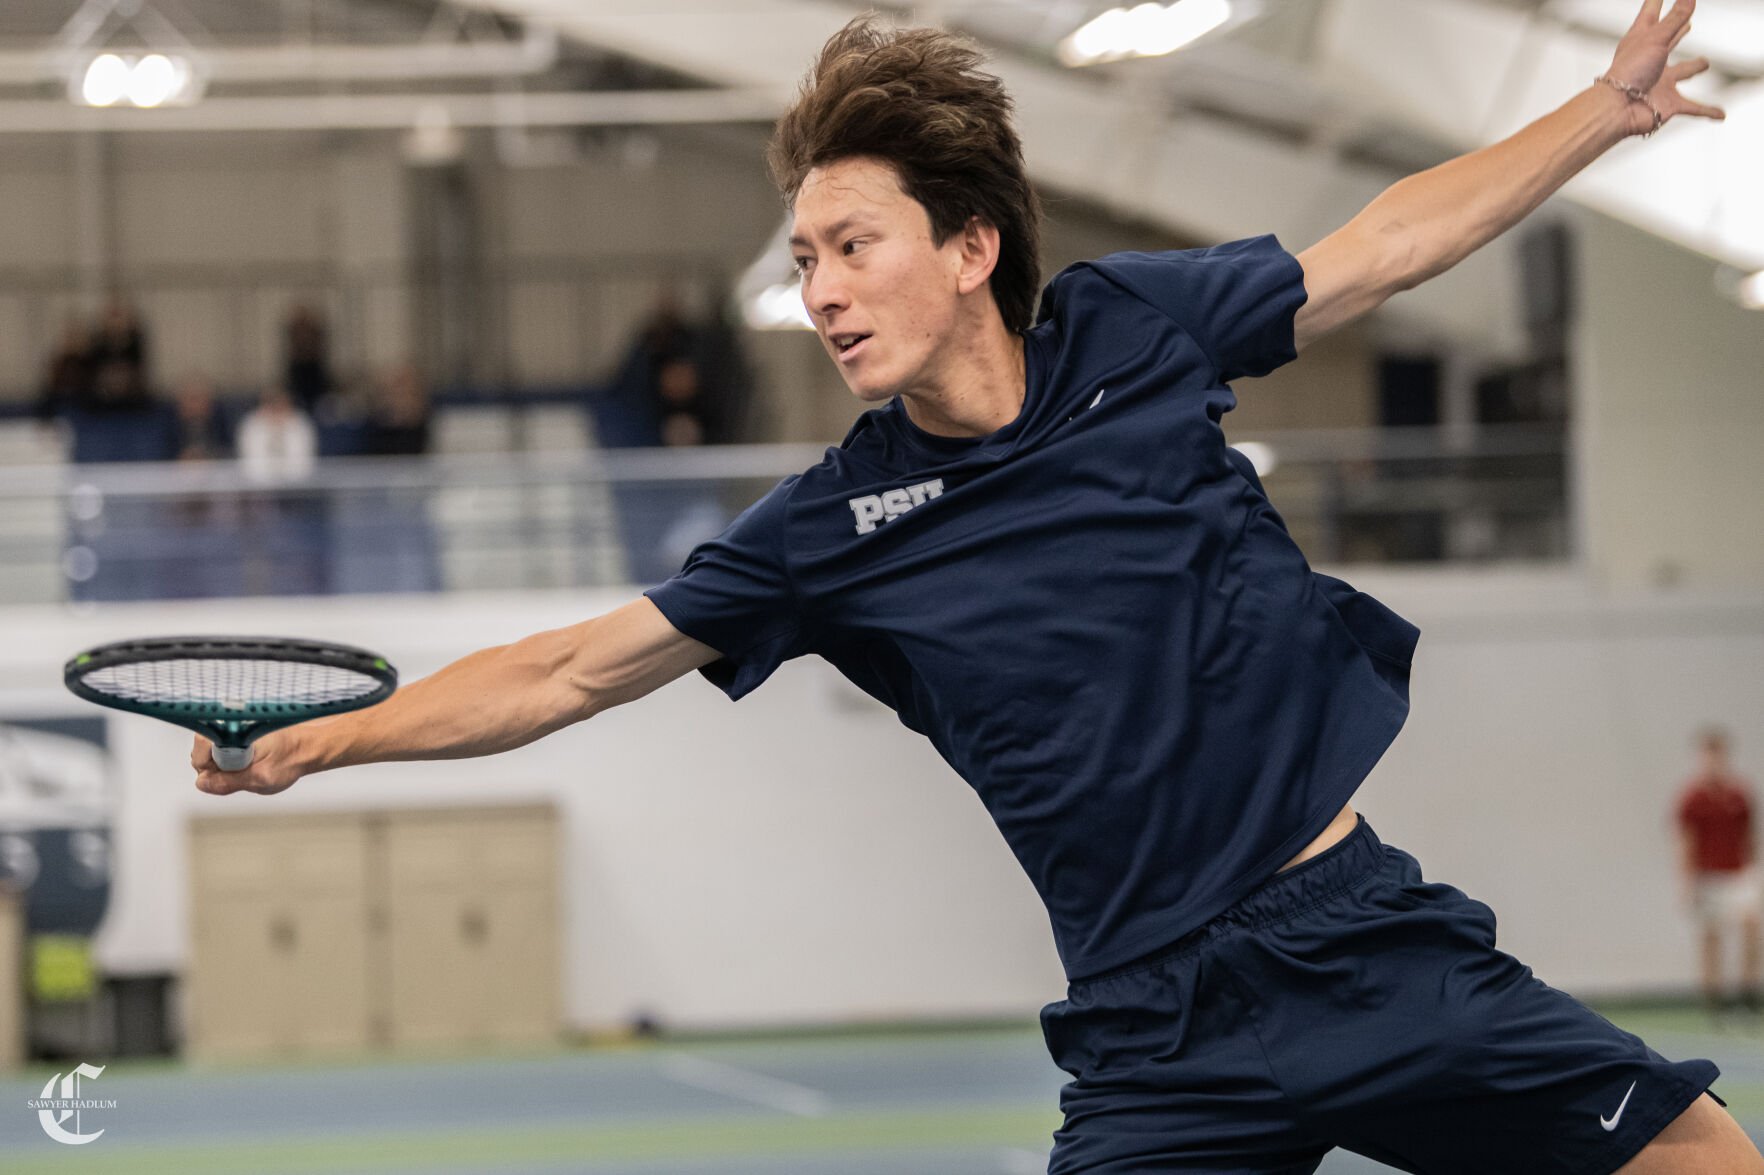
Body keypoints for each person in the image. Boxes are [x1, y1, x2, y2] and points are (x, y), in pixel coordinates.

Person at [190, 4, 1755, 1171]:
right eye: (802, 262)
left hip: (1359, 937)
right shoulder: (833, 522)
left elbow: (1382, 246)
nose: (816, 291)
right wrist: (330, 738)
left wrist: (1600, 113)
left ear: (967, 248)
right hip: (1155, 1029)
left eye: (848, 245)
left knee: (1701, 1152)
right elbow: (574, 666)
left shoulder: (1133, 333)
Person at [1677, 727, 1760, 1022]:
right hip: (1707, 876)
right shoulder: (1693, 798)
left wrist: (1752, 870)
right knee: (1711, 936)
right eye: (1707, 755)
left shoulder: (1739, 794)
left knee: (1751, 927)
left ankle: (1749, 993)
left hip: (1737, 873)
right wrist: (1687, 882)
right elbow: (1686, 842)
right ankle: (1714, 999)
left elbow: (1749, 834)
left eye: (1718, 755)